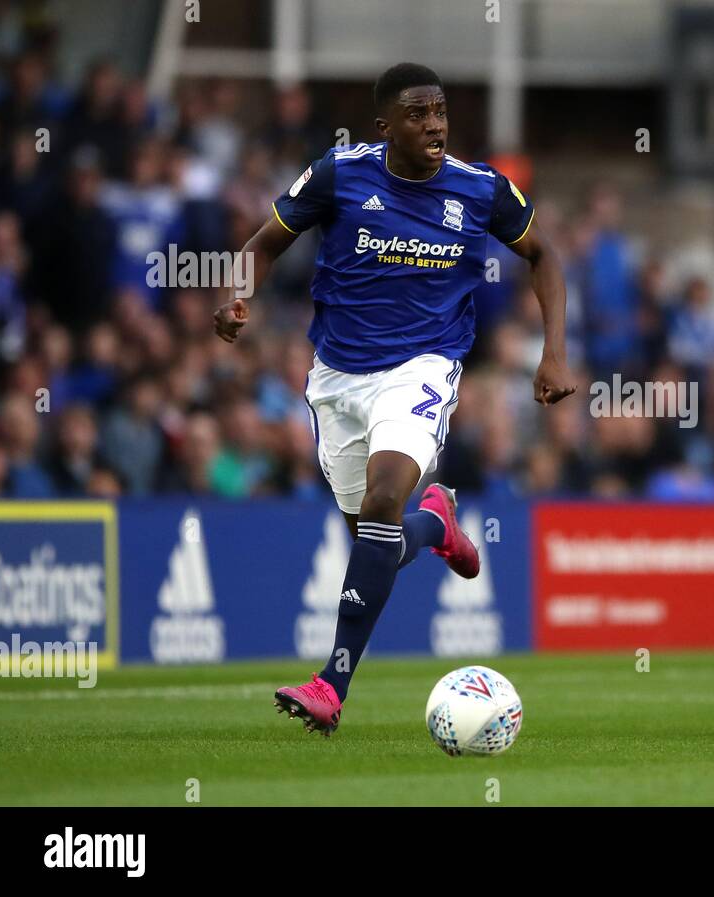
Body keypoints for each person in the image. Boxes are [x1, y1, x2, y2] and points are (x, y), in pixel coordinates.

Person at [213, 63, 575, 736]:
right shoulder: (340, 174)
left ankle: (331, 684)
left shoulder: (480, 188)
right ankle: (436, 524)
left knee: (382, 502)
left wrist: (553, 351)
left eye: (440, 110)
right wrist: (240, 295)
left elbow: (543, 256)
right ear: (385, 127)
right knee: (375, 540)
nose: (435, 123)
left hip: (423, 367)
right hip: (336, 378)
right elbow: (265, 245)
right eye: (418, 114)